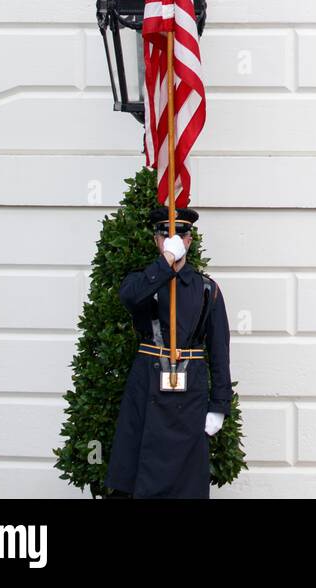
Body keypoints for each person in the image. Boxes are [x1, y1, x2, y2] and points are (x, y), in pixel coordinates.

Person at [105, 206, 232, 498]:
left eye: (180, 234)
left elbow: (219, 350)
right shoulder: (142, 281)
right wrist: (166, 262)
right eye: (165, 235)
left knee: (186, 484)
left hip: (190, 394)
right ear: (156, 240)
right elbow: (129, 297)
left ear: (189, 240)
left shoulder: (206, 288)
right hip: (147, 386)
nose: (173, 239)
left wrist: (219, 405)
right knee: (141, 481)